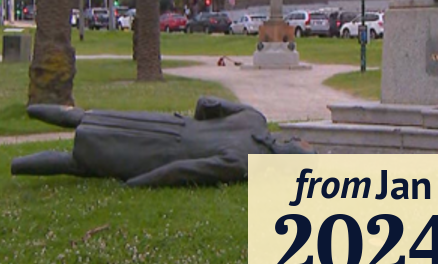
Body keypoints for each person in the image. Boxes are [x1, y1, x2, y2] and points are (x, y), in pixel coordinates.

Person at [11, 97, 312, 187]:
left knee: (83, 117)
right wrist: (136, 182)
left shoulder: (254, 118)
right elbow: (182, 170)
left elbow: (205, 102)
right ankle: (15, 165)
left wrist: (198, 124)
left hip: (168, 124)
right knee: (78, 165)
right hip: (158, 152)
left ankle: (30, 110)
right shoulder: (241, 164)